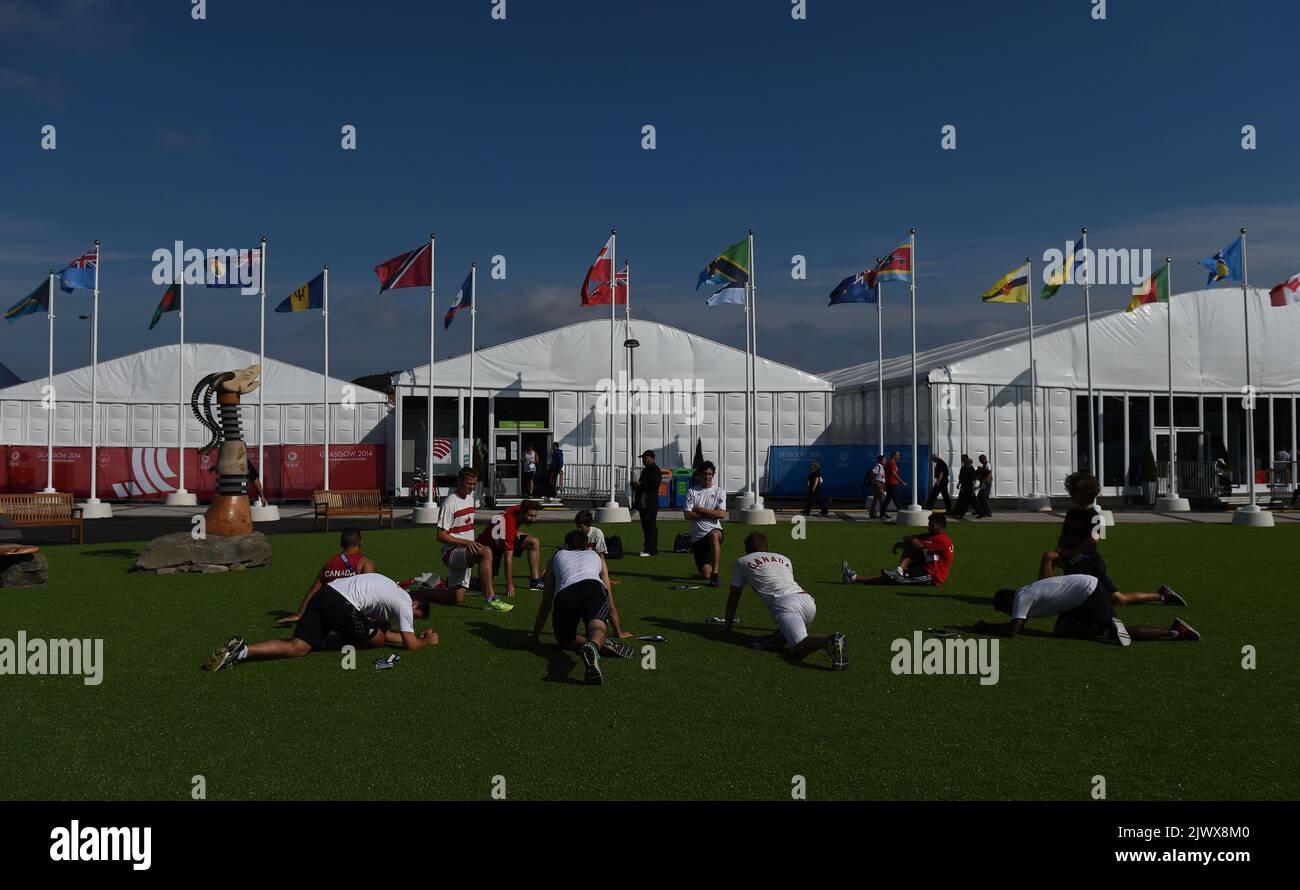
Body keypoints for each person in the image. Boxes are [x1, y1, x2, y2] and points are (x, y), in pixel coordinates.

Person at [207, 572, 439, 670]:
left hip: (326, 595)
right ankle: (329, 642)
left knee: (297, 648)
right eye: (414, 618)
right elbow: (407, 644)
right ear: (416, 604)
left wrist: (407, 637)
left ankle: (239, 653)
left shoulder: (389, 587)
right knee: (376, 642)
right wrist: (426, 641)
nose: (408, 620)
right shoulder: (404, 601)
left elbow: (388, 633)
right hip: (342, 604)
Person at [723, 532, 848, 670]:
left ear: (746, 549)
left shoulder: (742, 561)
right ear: (767, 546)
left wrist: (727, 629)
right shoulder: (784, 558)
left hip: (786, 605)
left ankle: (829, 641)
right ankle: (780, 638)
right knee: (791, 630)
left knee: (799, 647)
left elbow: (734, 597)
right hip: (807, 600)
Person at [975, 573, 1200, 645]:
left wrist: (985, 628)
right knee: (1061, 631)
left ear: (1007, 602)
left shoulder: (1021, 598)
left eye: (1003, 610)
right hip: (1078, 596)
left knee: (1117, 635)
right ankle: (1098, 628)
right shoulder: (1023, 594)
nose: (1007, 612)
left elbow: (1013, 631)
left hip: (1088, 594)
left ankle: (1175, 630)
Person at [530, 529, 633, 685]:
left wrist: (535, 637)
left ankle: (592, 645)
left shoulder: (556, 557)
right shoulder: (596, 557)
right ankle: (596, 643)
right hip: (593, 587)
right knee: (596, 626)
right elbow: (610, 602)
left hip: (566, 593)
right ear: (587, 546)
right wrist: (618, 631)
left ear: (566, 545)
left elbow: (546, 603)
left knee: (564, 640)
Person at [426, 466, 513, 612]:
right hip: (452, 553)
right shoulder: (449, 503)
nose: (471, 487)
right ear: (459, 481)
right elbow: (440, 535)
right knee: (485, 552)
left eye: (474, 484)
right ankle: (490, 599)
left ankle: (419, 593)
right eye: (468, 484)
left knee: (456, 598)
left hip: (465, 551)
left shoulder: (470, 498)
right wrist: (467, 542)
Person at [276, 526, 375, 626]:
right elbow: (368, 591)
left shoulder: (329, 563)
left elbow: (314, 589)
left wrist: (299, 614)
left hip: (327, 611)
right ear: (360, 542)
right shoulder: (365, 563)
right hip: (350, 612)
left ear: (341, 543)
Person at [842, 512, 954, 586]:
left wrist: (906, 543)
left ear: (940, 526)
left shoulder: (942, 539)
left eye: (932, 525)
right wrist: (905, 543)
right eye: (929, 524)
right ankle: (898, 571)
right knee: (909, 551)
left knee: (893, 580)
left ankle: (855, 578)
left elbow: (916, 544)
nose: (929, 527)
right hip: (926, 567)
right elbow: (908, 538)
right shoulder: (933, 535)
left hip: (933, 575)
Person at [476, 499, 543, 596]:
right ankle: (456, 582)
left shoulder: (517, 509)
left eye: (535, 516)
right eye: (530, 516)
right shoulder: (508, 528)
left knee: (534, 542)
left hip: (501, 539)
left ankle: (535, 581)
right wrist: (509, 584)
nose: (533, 519)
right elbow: (508, 558)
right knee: (483, 585)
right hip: (489, 547)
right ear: (521, 512)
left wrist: (516, 531)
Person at [684, 460, 726, 587]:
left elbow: (721, 514)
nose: (707, 477)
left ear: (713, 475)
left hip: (715, 531)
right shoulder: (692, 491)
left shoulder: (719, 491)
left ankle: (715, 574)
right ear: (700, 475)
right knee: (705, 575)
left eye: (710, 474)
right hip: (698, 538)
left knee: (714, 535)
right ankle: (708, 574)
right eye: (705, 474)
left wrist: (701, 510)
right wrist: (711, 513)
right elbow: (687, 515)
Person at [633, 449, 661, 556]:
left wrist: (641, 485)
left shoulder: (654, 470)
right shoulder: (646, 470)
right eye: (643, 459)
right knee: (646, 526)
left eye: (645, 458)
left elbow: (654, 485)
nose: (643, 461)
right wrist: (636, 486)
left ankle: (651, 549)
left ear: (651, 458)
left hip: (650, 503)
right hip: (644, 503)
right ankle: (647, 548)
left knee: (650, 526)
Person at [951, 454, 977, 519]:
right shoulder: (964, 467)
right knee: (962, 500)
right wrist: (959, 483)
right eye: (962, 458)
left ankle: (959, 513)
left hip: (968, 487)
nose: (962, 460)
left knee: (967, 501)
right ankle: (957, 512)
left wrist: (973, 489)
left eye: (963, 458)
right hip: (964, 486)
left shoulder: (969, 468)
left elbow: (973, 480)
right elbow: (962, 477)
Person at [883, 450, 906, 515]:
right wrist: (902, 482)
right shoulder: (892, 463)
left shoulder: (890, 463)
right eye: (898, 455)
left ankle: (882, 515)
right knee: (896, 500)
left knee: (887, 500)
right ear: (894, 455)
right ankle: (902, 513)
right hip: (892, 484)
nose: (899, 456)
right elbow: (894, 473)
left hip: (890, 484)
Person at [866, 455, 888, 519]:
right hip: (878, 484)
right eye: (884, 460)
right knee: (882, 499)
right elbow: (872, 473)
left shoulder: (882, 467)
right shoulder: (877, 466)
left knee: (875, 500)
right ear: (881, 461)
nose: (885, 461)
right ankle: (883, 514)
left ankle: (872, 514)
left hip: (881, 484)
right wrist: (874, 482)